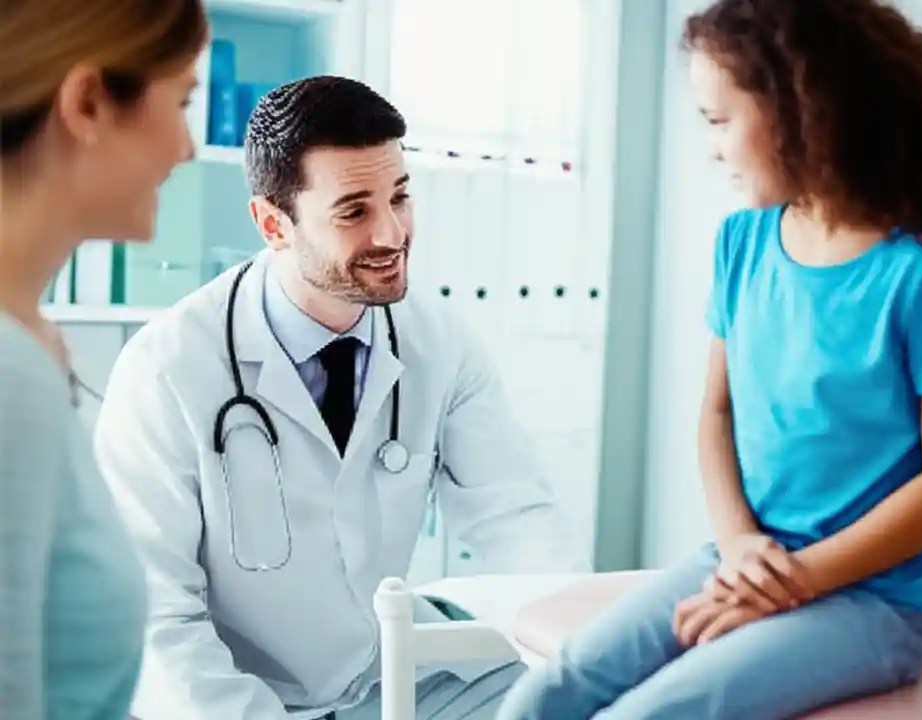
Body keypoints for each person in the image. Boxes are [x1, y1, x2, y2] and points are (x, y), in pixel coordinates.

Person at [498, 0, 922, 718]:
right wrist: (739, 549)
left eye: (718, 121)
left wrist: (794, 581)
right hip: (745, 560)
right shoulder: (743, 243)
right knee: (545, 695)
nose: (712, 148)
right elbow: (717, 411)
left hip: (874, 604)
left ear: (804, 108)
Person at [93, 75, 587, 720]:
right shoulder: (169, 369)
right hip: (231, 697)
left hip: (388, 675)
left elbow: (517, 519)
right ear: (274, 224)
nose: (392, 234)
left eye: (401, 198)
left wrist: (575, 646)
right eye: (354, 210)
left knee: (571, 692)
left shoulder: (437, 343)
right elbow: (155, 618)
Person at [0, 1, 207, 718]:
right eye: (181, 100)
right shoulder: (8, 377)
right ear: (87, 101)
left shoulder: (33, 349)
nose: (187, 147)